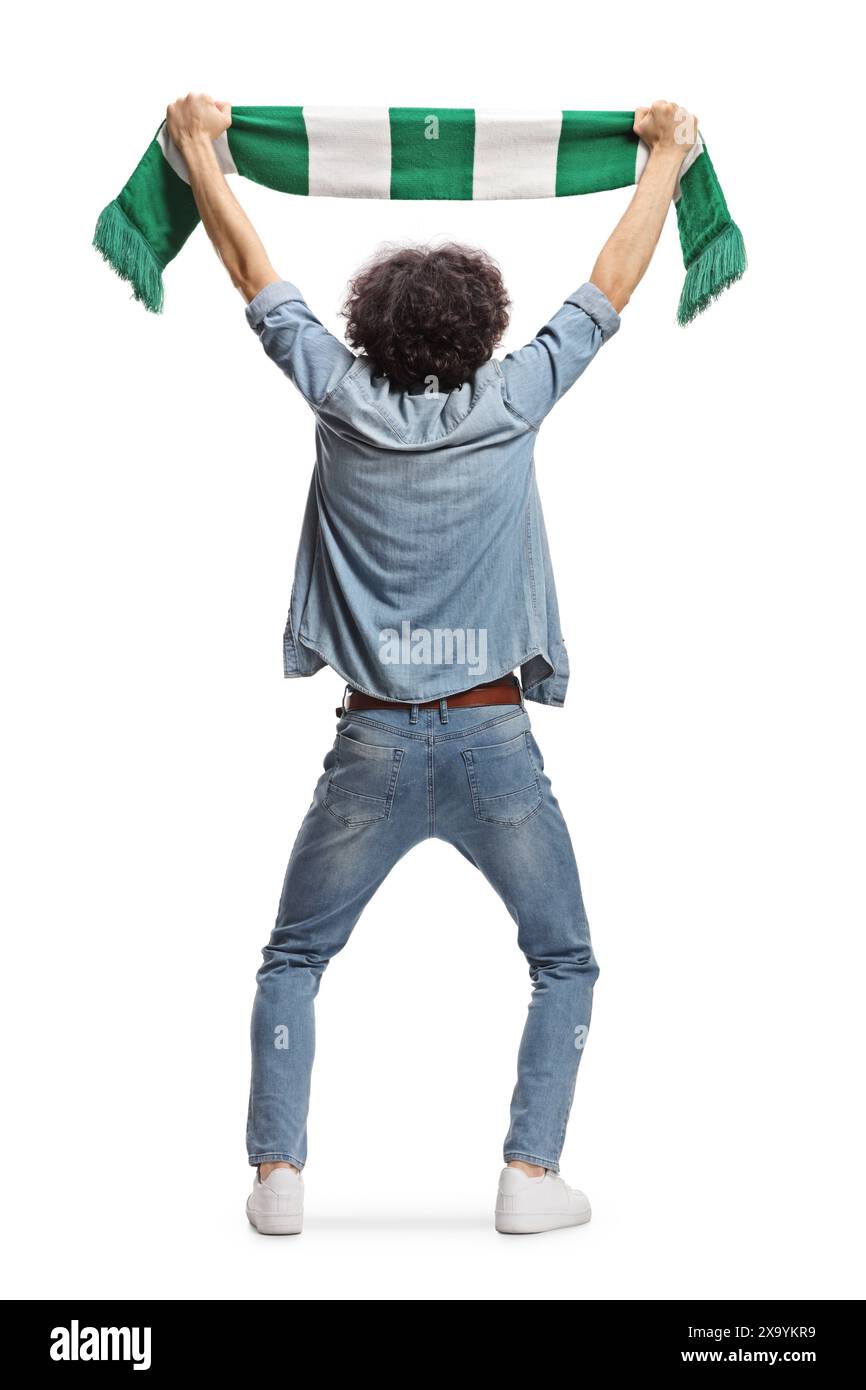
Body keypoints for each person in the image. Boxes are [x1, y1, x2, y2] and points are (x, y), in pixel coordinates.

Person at [164, 93, 698, 1236]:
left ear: (368, 328)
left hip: (367, 743)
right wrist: (666, 162)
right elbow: (607, 285)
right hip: (495, 741)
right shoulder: (513, 401)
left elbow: (252, 267)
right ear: (480, 329)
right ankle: (528, 1172)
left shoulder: (341, 400)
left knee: (294, 957)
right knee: (563, 960)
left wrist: (203, 152)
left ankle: (276, 1180)